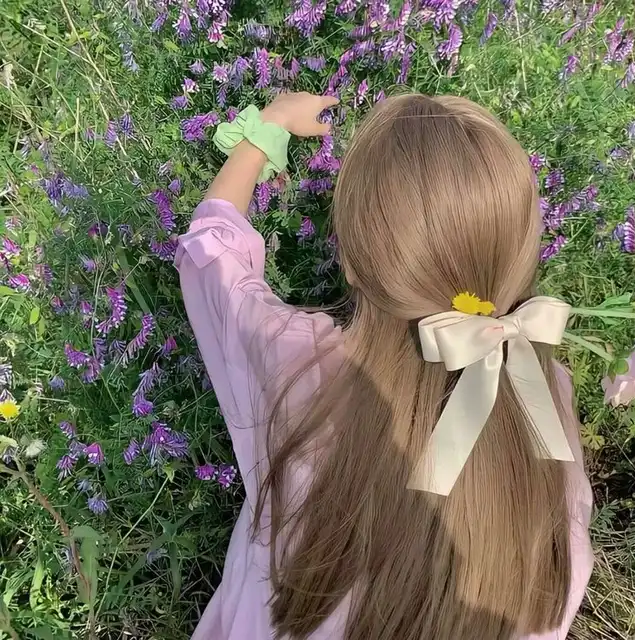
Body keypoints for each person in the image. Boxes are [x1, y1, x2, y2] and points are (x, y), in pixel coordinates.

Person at [176, 92, 593, 640]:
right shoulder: (544, 402)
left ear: (350, 262)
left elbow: (212, 258)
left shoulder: (301, 368)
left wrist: (267, 127)